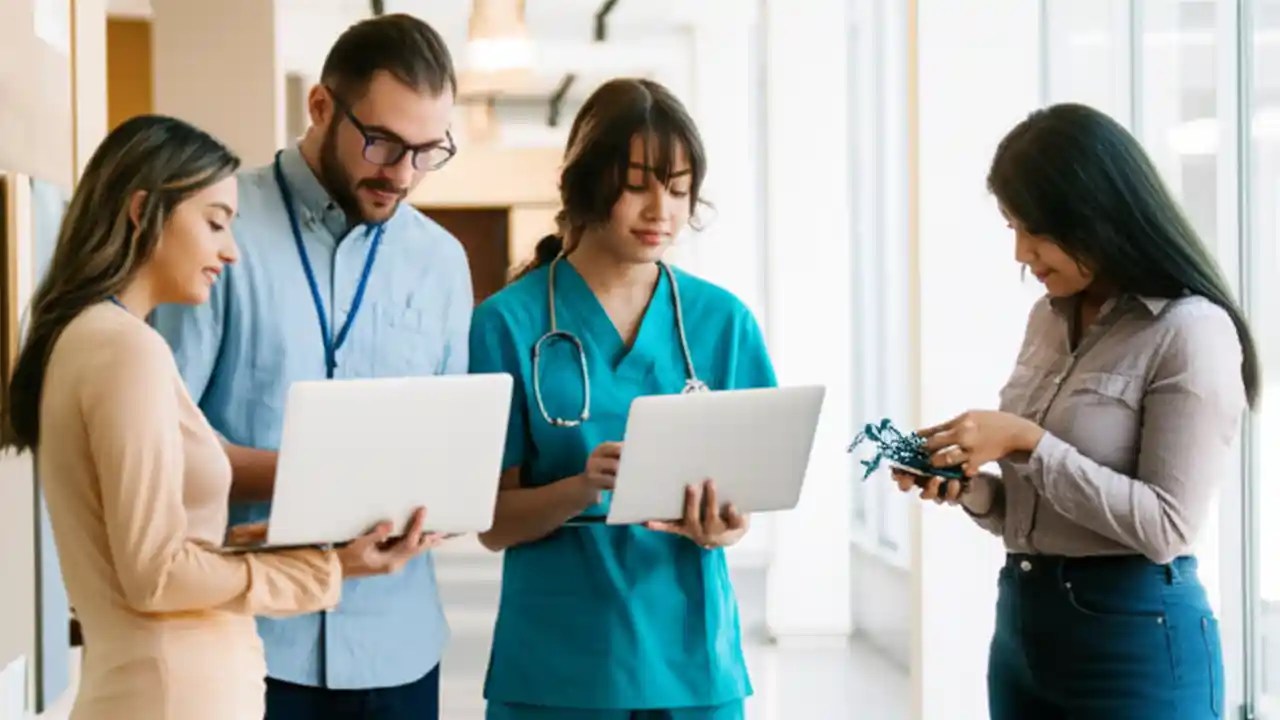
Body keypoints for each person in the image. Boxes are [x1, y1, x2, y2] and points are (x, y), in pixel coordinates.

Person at [1, 114, 432, 720]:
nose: (230, 251)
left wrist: (255, 545)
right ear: (141, 210)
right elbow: (157, 576)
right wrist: (330, 568)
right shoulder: (126, 351)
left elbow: (145, 550)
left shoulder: (97, 340)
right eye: (215, 224)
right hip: (169, 697)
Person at [148, 14, 472, 720]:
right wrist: (323, 478)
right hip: (250, 636)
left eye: (427, 151)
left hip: (399, 644)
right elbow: (166, 445)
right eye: (383, 143)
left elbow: (450, 444)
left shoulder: (441, 261)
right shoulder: (216, 224)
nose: (403, 175)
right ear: (321, 107)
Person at [895, 103, 1258, 719]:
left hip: (1135, 641)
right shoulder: (1048, 317)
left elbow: (1166, 527)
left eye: (1032, 230)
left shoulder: (1190, 330)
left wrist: (1029, 441)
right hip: (1024, 625)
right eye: (1010, 227)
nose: (1020, 253)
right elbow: (1036, 507)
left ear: (1093, 216)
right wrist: (970, 490)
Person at [468, 77, 775, 720]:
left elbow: (746, 502)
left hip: (691, 660)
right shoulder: (508, 323)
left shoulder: (722, 322)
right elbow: (493, 524)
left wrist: (725, 526)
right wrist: (581, 487)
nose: (661, 209)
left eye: (680, 186)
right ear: (584, 182)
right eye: (637, 184)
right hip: (558, 662)